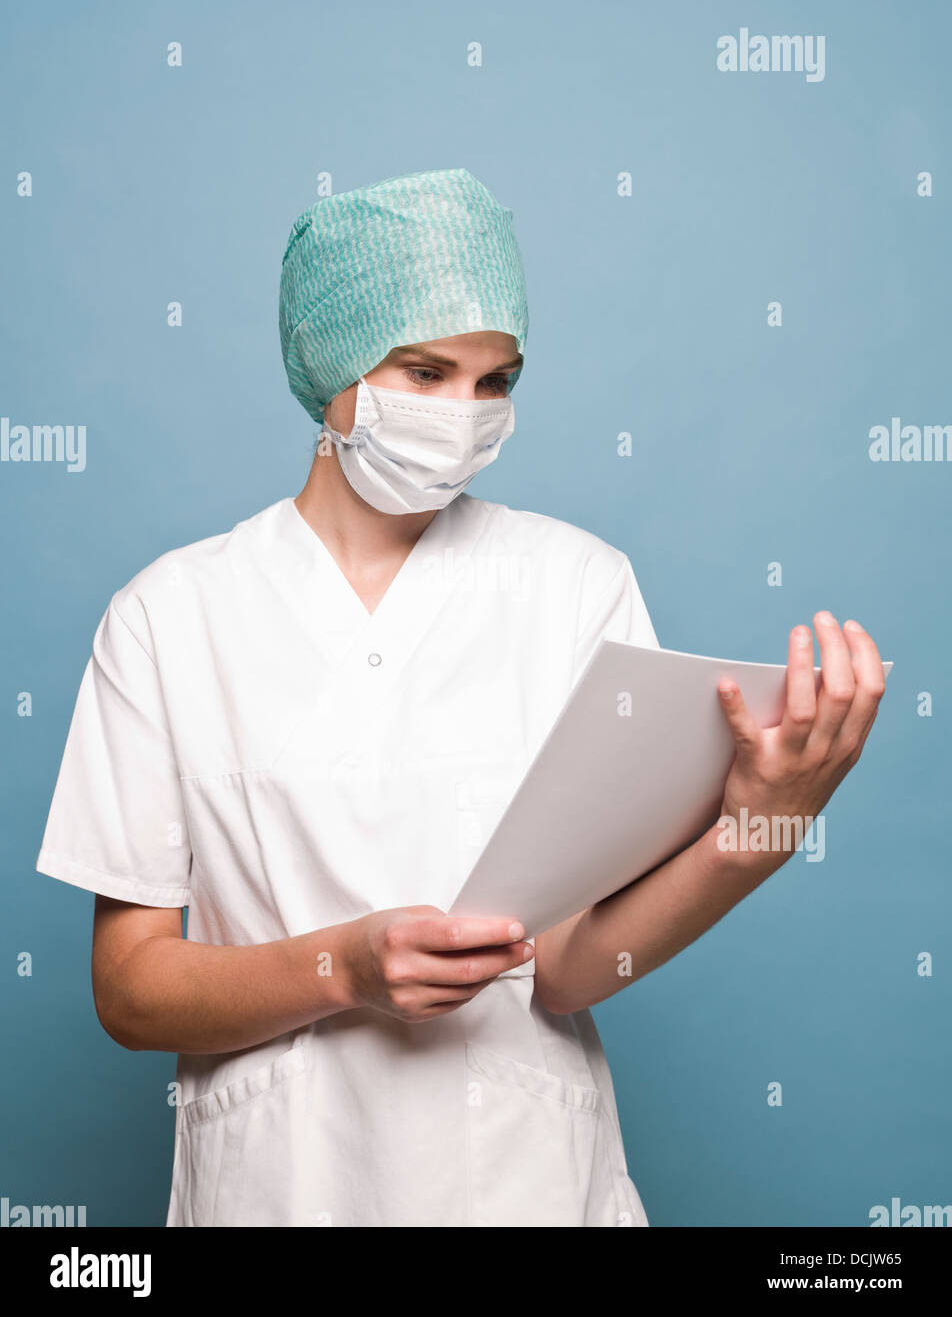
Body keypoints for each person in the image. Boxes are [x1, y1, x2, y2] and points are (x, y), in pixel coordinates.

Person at [36, 167, 886, 1228]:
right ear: (329, 363)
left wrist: (765, 819)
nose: (465, 414)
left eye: (496, 381)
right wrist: (340, 966)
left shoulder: (576, 586)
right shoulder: (169, 617)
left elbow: (573, 967)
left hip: (527, 1184)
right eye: (426, 371)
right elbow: (129, 988)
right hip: (281, 1189)